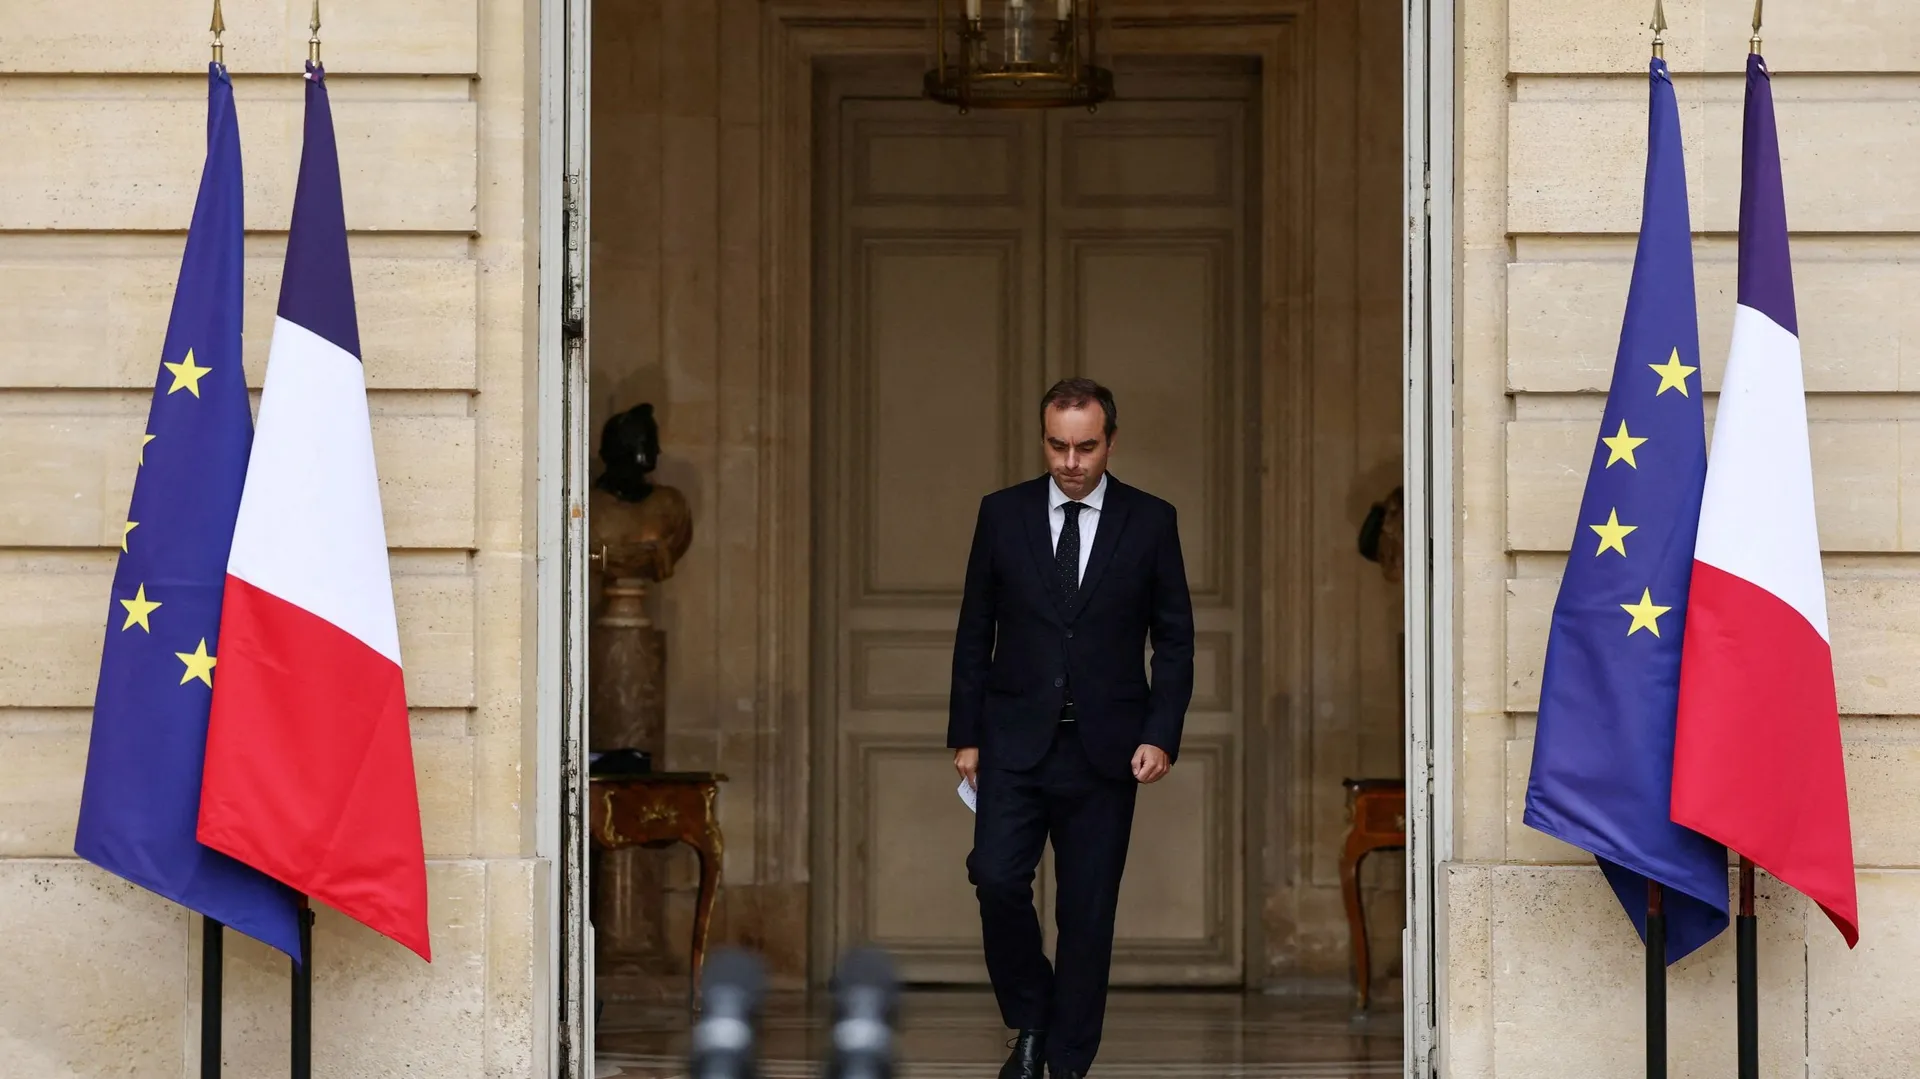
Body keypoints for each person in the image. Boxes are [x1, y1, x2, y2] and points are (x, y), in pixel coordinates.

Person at [947, 377, 1196, 1079]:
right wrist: (966, 734)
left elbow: (1175, 639)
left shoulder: (1151, 520)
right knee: (995, 876)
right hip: (1013, 742)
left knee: (1087, 914)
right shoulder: (1002, 513)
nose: (1070, 462)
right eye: (1057, 446)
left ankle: (1066, 1061)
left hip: (1105, 749)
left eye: (1085, 447)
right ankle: (1032, 1017)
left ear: (1110, 442)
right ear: (1044, 440)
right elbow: (975, 629)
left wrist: (1161, 733)